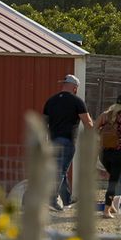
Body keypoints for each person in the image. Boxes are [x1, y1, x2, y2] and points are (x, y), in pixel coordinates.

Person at [43, 74, 92, 211]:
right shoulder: (77, 101)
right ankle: (52, 199)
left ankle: (67, 200)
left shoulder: (51, 101)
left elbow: (43, 122)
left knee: (59, 170)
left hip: (52, 141)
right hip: (67, 140)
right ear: (75, 88)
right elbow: (87, 122)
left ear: (63, 85)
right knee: (61, 171)